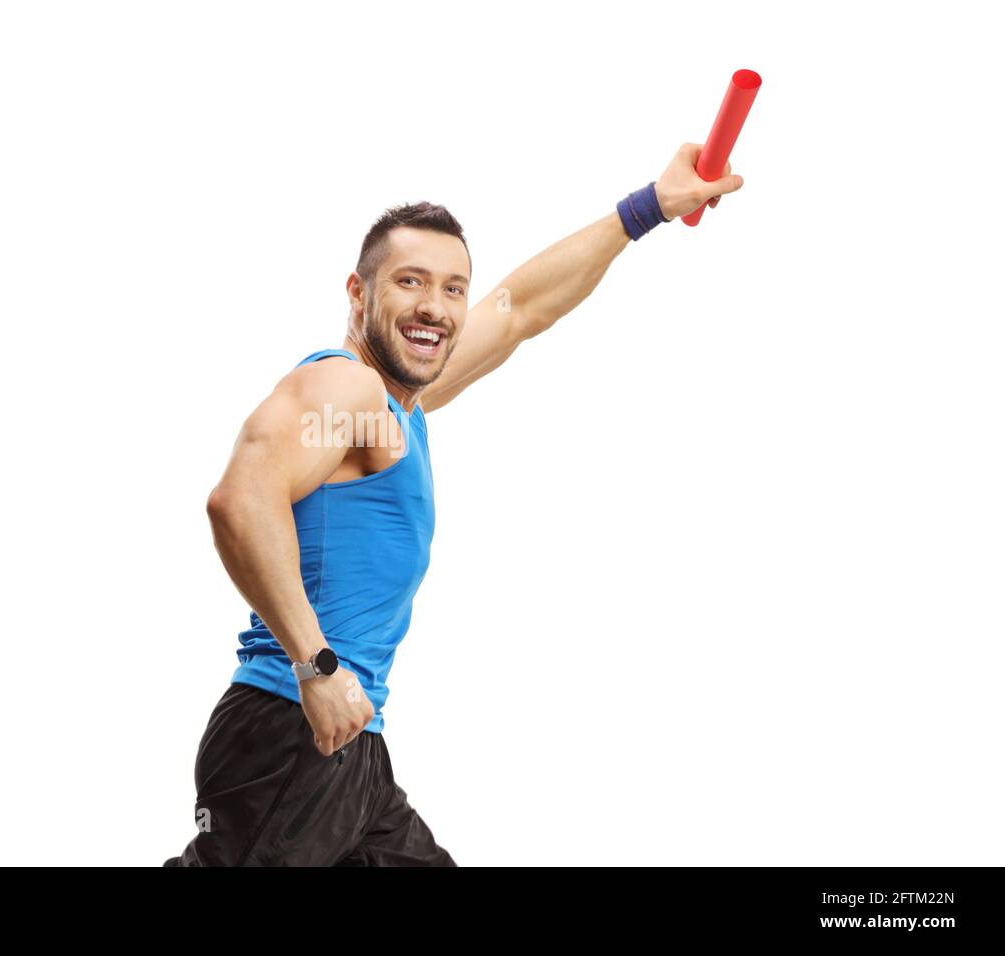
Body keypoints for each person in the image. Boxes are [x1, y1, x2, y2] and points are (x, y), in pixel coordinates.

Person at [164, 144, 746, 866]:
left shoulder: (396, 411)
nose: (435, 308)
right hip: (291, 728)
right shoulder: (350, 392)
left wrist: (646, 209)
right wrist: (316, 667)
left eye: (452, 288)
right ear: (359, 293)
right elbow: (240, 500)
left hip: (352, 745)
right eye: (410, 282)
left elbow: (520, 308)